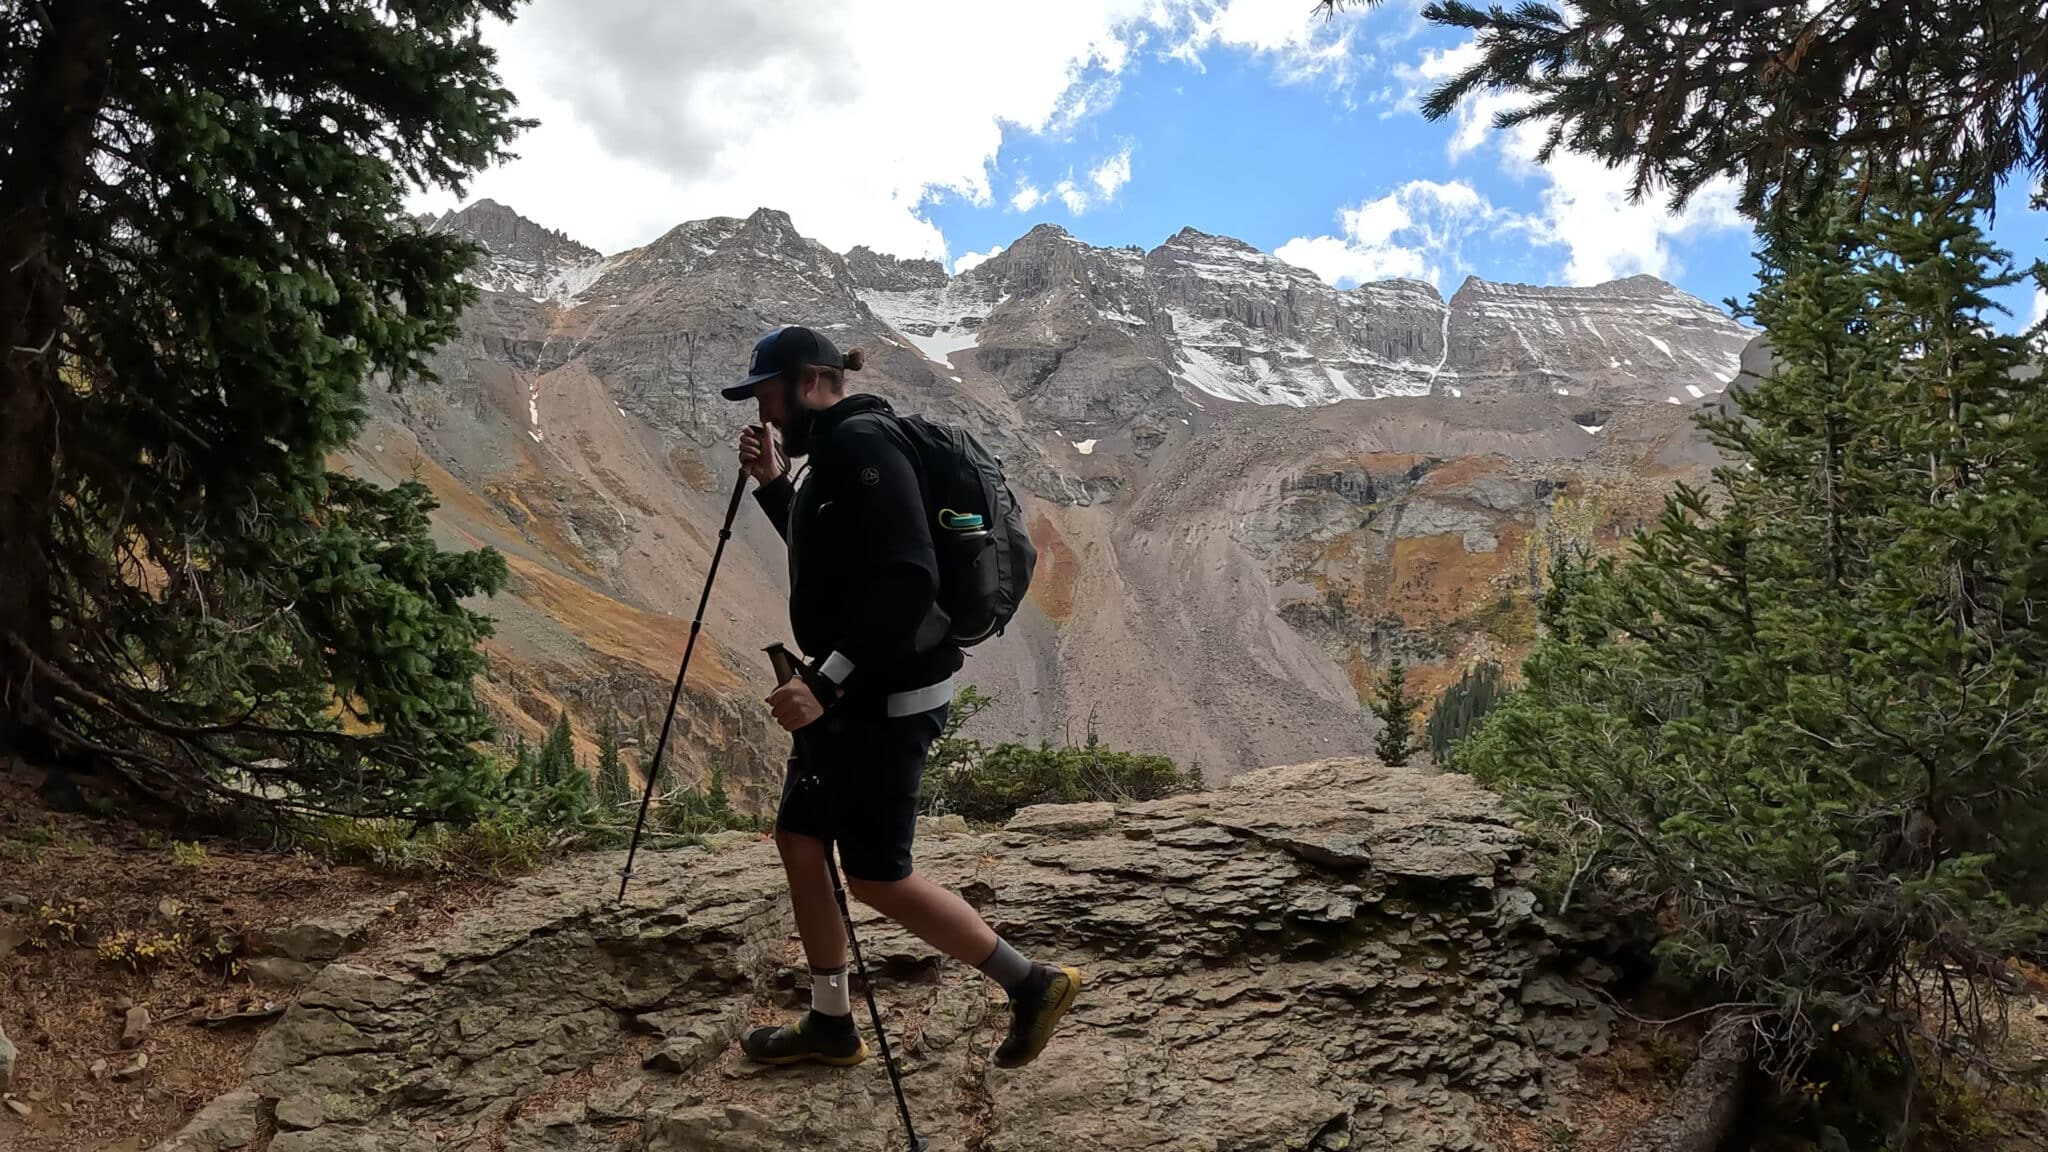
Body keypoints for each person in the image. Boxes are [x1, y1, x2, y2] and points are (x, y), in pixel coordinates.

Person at [722, 324, 1080, 1070]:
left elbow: (907, 582)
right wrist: (774, 487)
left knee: (879, 875)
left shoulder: (861, 445)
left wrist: (825, 682)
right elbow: (834, 556)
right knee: (800, 839)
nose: (764, 411)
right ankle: (829, 1022)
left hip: (881, 704)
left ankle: (1033, 984)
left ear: (812, 381)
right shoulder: (837, 453)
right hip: (858, 697)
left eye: (768, 393)